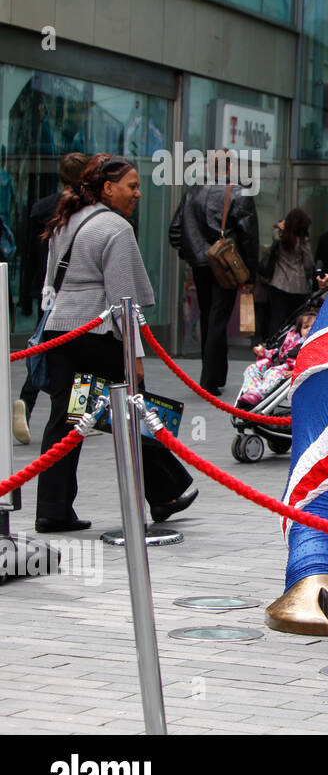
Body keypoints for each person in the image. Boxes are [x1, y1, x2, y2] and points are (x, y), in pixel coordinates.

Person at [34, 154, 196, 532]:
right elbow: (124, 300)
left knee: (66, 419)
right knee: (133, 409)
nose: (138, 193)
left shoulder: (65, 219)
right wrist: (135, 355)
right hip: (99, 332)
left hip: (62, 330)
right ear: (108, 188)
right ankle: (167, 491)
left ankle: (52, 508)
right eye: (132, 186)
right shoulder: (115, 228)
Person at [169, 150, 258, 395]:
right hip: (226, 265)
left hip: (201, 265)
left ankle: (213, 376)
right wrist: (250, 274)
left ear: (209, 167)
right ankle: (210, 378)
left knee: (210, 317)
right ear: (229, 168)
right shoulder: (239, 194)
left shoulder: (191, 194)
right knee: (218, 318)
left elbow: (175, 232)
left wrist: (193, 254)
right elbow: (249, 236)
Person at [15, 152, 88, 444]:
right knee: (81, 354)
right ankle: (77, 415)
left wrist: (29, 292)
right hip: (78, 292)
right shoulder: (87, 211)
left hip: (48, 289)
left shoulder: (42, 208)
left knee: (45, 347)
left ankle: (26, 401)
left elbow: (30, 254)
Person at [239, 307, 315, 406]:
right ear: (299, 330)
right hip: (278, 363)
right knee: (252, 368)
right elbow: (278, 352)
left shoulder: (314, 344)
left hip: (290, 369)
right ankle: (251, 391)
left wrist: (298, 371)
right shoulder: (292, 340)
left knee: (273, 373)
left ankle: (258, 394)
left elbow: (313, 362)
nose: (309, 329)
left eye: (312, 327)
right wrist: (264, 352)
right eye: (306, 327)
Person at [263, 208, 313, 338]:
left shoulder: (280, 237)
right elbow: (308, 263)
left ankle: (273, 347)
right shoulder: (303, 241)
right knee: (295, 321)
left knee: (276, 319)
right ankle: (291, 347)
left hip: (278, 283)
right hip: (298, 286)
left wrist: (279, 224)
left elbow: (274, 229)